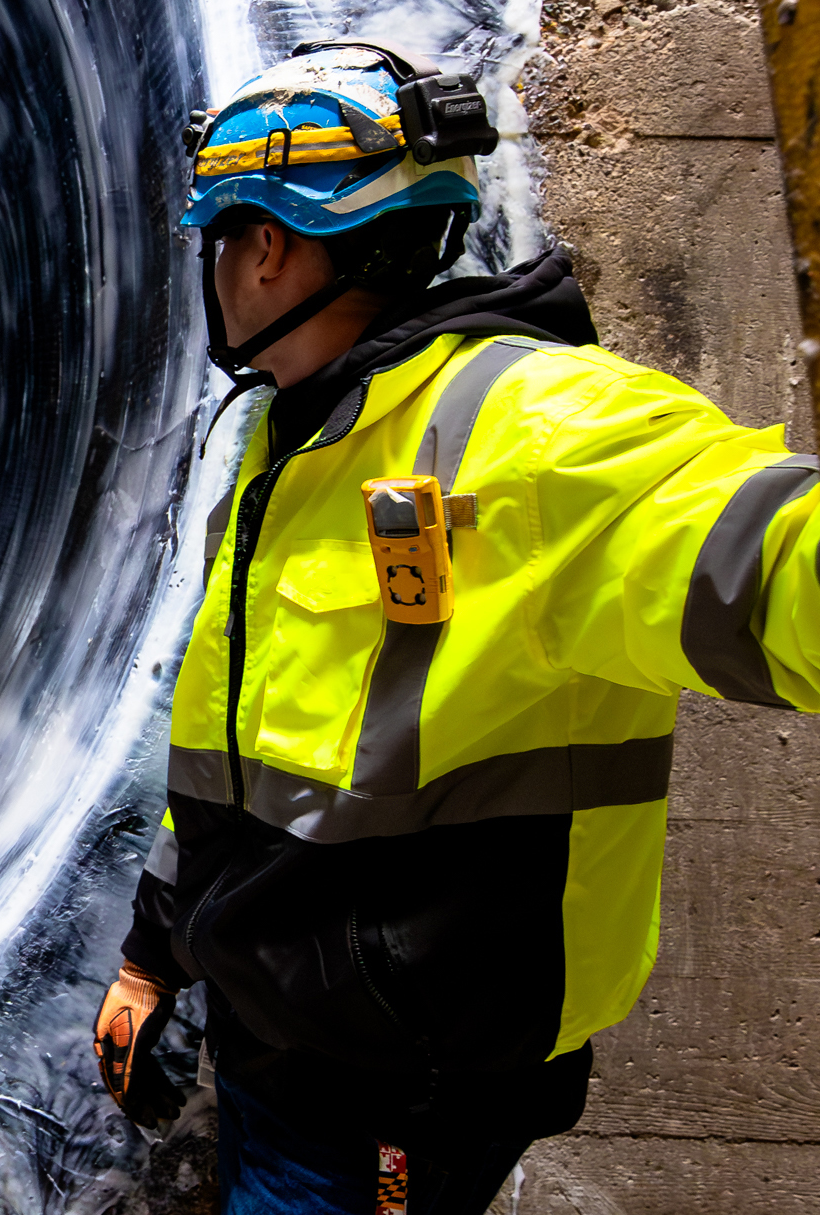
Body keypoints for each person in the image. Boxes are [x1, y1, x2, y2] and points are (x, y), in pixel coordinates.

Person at [92, 40, 820, 1214]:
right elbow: (238, 758)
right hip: (289, 1064)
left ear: (266, 245)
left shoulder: (534, 430)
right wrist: (153, 953)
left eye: (219, 238)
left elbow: (775, 558)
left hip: (404, 1100)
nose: (217, 271)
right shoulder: (302, 445)